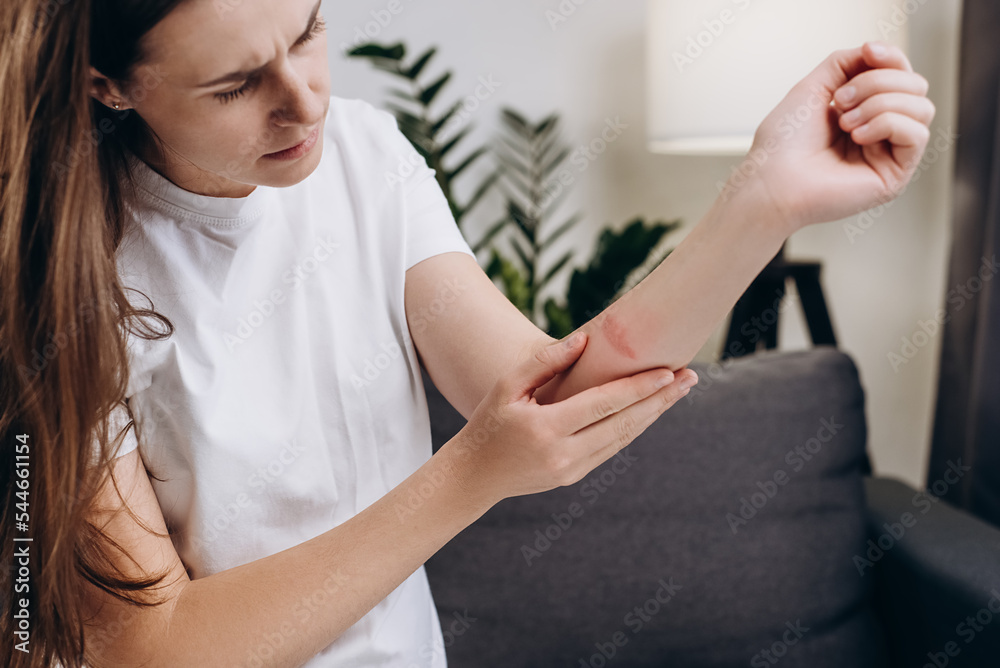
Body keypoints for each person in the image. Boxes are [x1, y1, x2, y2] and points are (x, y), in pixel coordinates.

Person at [0, 0, 935, 666]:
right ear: (108, 86)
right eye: (239, 83)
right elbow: (148, 648)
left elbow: (562, 398)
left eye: (310, 30)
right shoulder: (61, 279)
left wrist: (764, 199)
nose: (305, 100)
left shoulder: (366, 157)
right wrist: (470, 474)